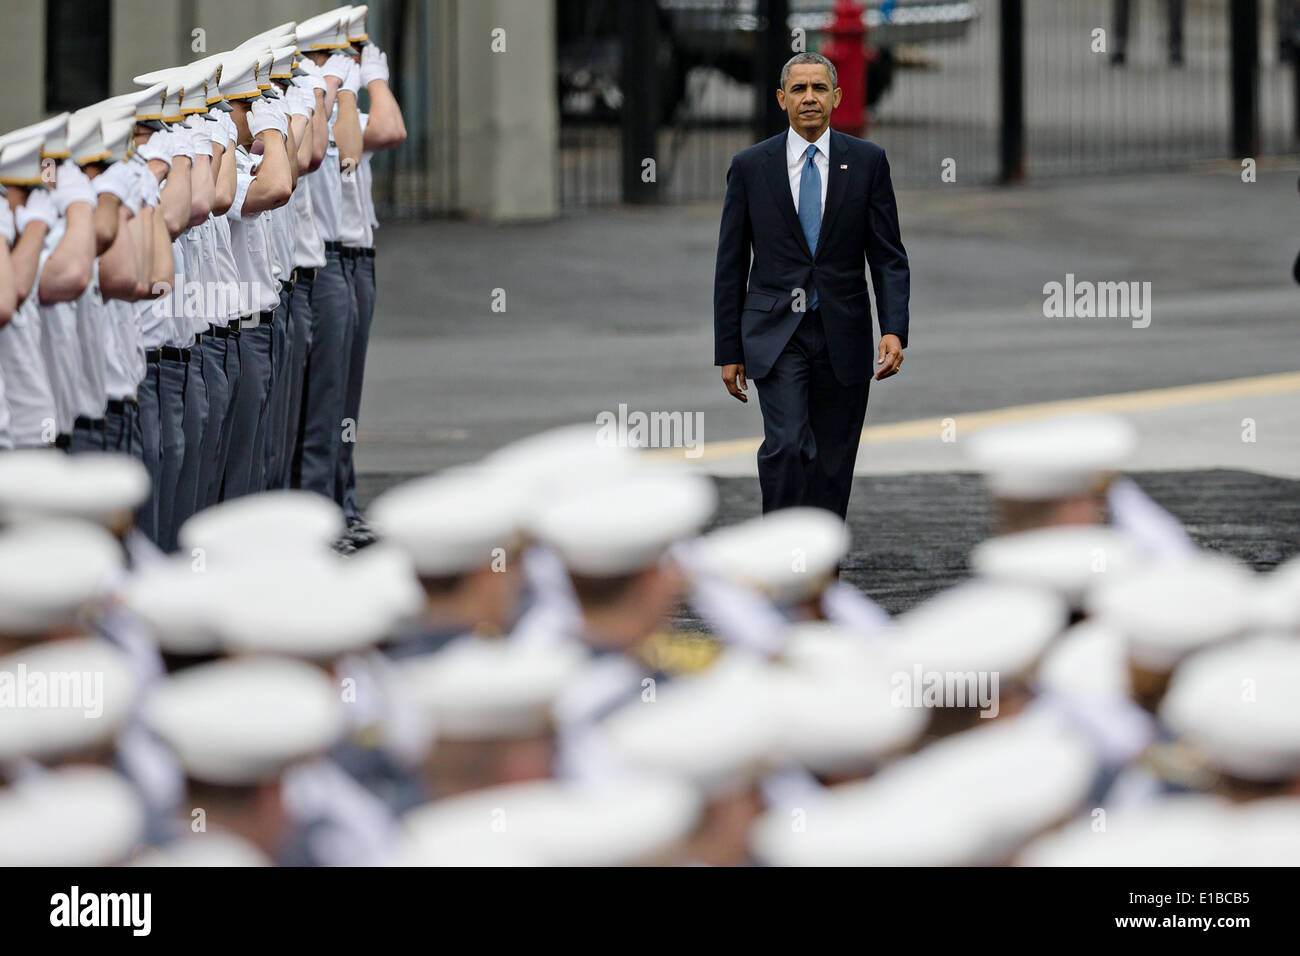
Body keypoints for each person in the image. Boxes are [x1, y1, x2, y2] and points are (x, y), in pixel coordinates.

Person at [713, 51, 910, 520]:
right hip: (777, 335)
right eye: (798, 89)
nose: (809, 98)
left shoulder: (866, 163)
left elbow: (887, 255)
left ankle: (819, 578)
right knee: (784, 447)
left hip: (843, 334)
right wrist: (729, 350)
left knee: (832, 464)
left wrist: (894, 328)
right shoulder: (750, 167)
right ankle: (781, 558)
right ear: (781, 99)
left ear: (836, 97)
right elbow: (731, 263)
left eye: (819, 88)